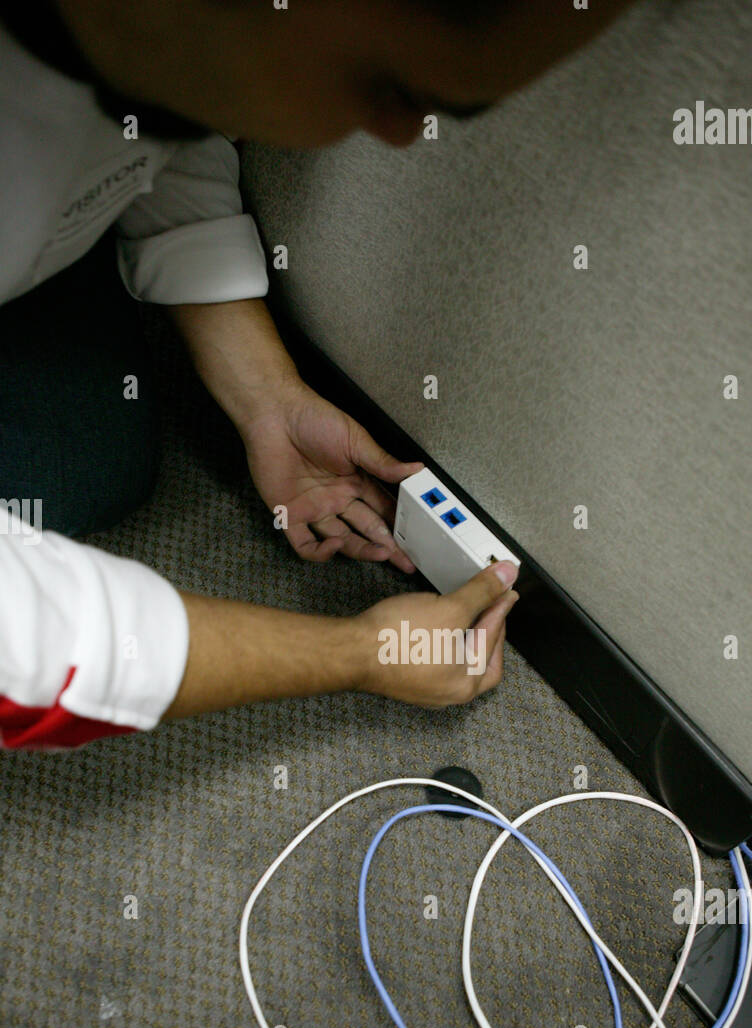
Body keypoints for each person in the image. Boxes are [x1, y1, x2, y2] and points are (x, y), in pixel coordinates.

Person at [0, 0, 630, 749]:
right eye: (392, 86)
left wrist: (265, 395)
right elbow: (34, 652)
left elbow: (165, 121)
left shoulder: (164, 43)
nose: (400, 134)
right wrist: (360, 653)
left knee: (97, 454)